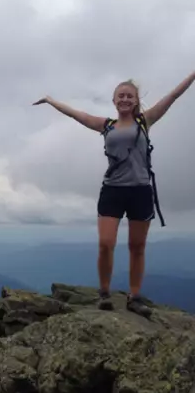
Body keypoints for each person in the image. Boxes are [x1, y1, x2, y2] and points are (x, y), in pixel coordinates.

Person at [33, 71, 195, 317]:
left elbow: (173, 96)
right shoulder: (106, 125)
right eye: (121, 96)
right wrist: (51, 100)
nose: (125, 99)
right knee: (106, 244)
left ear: (136, 100)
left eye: (129, 96)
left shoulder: (145, 121)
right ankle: (105, 294)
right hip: (112, 190)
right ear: (114, 100)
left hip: (141, 190)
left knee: (137, 247)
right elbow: (78, 115)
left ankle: (134, 296)